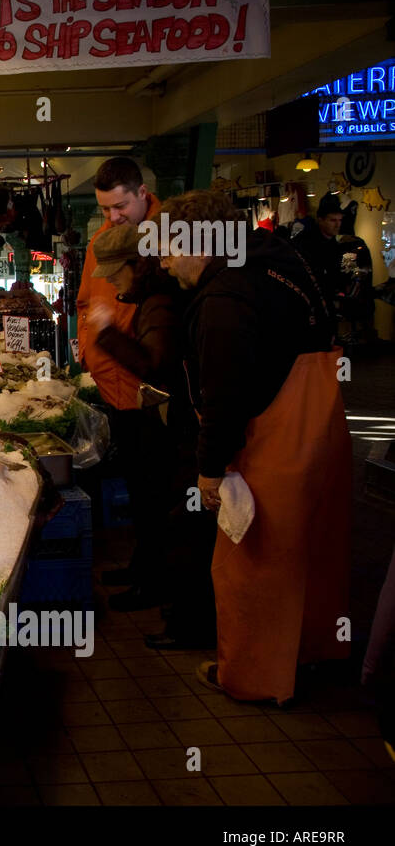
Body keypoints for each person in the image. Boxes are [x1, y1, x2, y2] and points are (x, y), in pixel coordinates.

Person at [159, 189, 350, 706]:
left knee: (253, 564)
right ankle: (312, 654)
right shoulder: (280, 260)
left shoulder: (226, 298)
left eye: (169, 247)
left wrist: (209, 467)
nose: (164, 261)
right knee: (312, 552)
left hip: (273, 445)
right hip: (320, 435)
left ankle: (253, 677)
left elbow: (225, 394)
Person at [85, 224, 215, 639]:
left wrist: (107, 334)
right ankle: (151, 580)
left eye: (115, 271)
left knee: (169, 510)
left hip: (176, 427)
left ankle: (176, 609)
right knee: (155, 503)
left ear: (136, 265)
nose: (110, 280)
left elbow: (156, 364)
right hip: (166, 421)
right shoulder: (151, 297)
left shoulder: (160, 303)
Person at [75, 157, 162, 598]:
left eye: (121, 206)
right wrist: (84, 346)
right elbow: (85, 301)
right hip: (112, 385)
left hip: (148, 391)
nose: (113, 217)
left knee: (156, 489)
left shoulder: (166, 241)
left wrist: (108, 337)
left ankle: (153, 580)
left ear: (142, 192)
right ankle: (141, 567)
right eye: (105, 209)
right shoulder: (102, 242)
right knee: (135, 481)